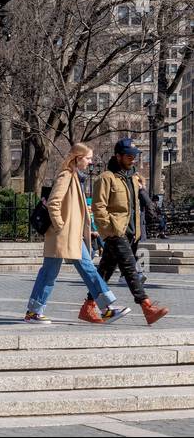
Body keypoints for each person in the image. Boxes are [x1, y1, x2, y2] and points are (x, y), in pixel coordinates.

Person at [25, 143, 129, 324]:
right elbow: (54, 202)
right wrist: (60, 226)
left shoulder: (74, 176)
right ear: (78, 158)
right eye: (88, 158)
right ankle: (34, 312)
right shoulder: (66, 175)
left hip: (71, 236)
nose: (90, 162)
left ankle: (106, 308)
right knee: (50, 273)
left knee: (84, 269)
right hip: (63, 235)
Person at [82, 139, 170, 325]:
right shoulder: (106, 178)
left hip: (131, 232)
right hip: (116, 232)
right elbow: (98, 208)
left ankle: (88, 307)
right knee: (131, 269)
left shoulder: (133, 178)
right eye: (129, 156)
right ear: (118, 156)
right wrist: (110, 230)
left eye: (135, 156)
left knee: (105, 270)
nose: (133, 160)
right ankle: (147, 308)